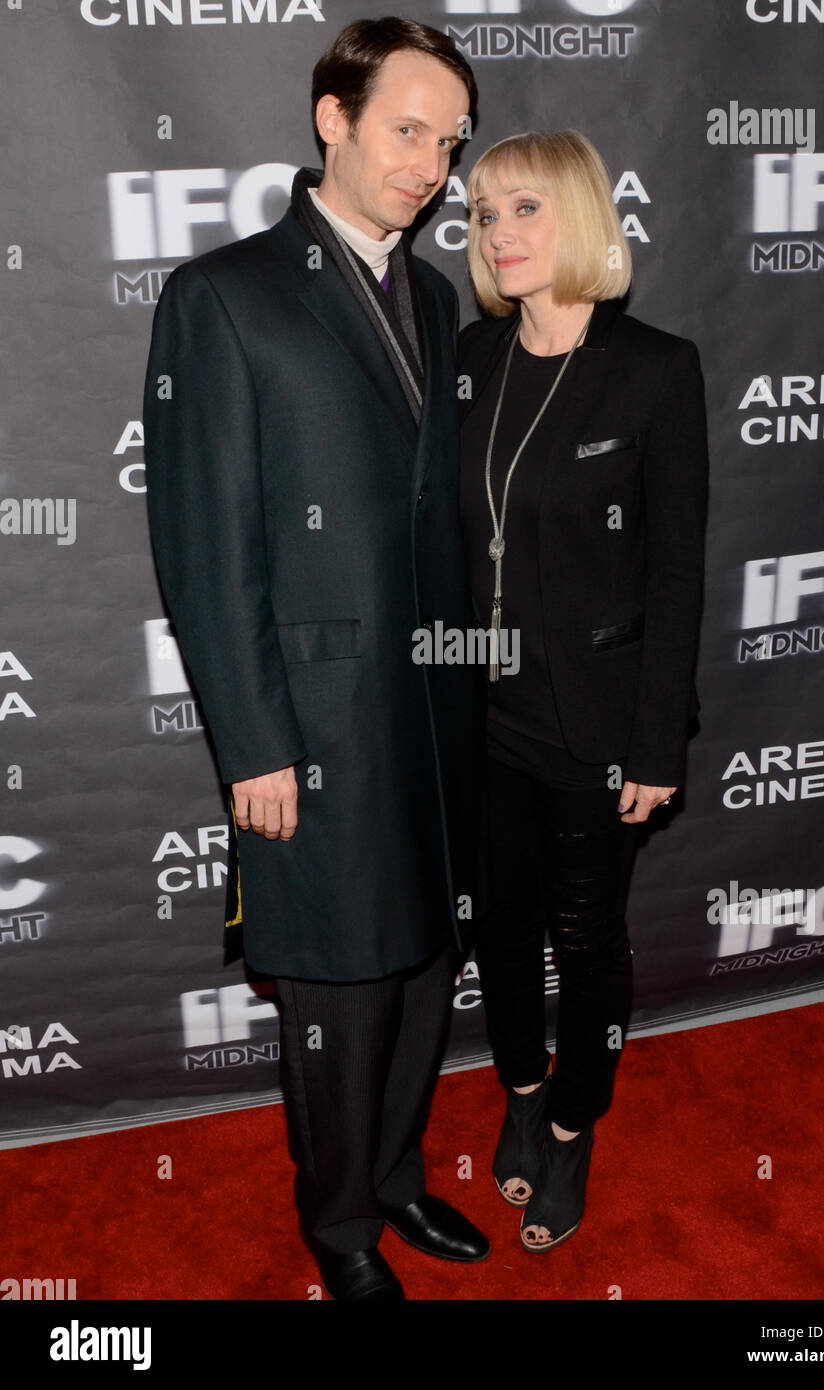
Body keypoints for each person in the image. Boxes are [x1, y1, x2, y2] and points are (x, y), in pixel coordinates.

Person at [143, 18, 488, 1301]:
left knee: (419, 967)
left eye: (449, 142)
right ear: (329, 120)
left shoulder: (437, 295)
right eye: (408, 129)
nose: (431, 166)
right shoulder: (223, 297)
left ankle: (397, 1177)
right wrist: (256, 743)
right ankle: (339, 1222)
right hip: (315, 722)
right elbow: (202, 543)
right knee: (339, 983)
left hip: (434, 711)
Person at [458, 130, 709, 1252]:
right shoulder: (467, 363)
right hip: (479, 715)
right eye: (479, 216)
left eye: (522, 210)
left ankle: (571, 1123)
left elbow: (675, 572)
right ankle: (517, 1090)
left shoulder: (654, 368)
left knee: (585, 935)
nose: (497, 235)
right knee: (499, 930)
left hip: (599, 726)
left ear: (578, 218)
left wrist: (656, 745)